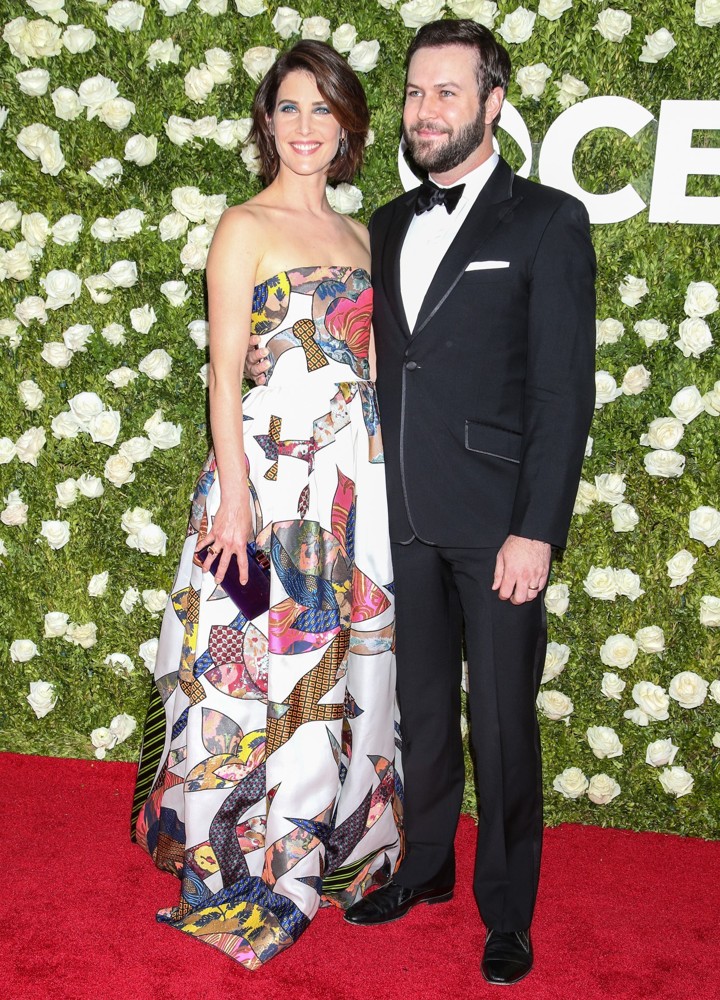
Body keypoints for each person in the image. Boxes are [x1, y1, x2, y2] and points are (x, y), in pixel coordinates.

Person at [248, 17, 596, 987]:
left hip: (498, 529)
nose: (426, 109)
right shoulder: (387, 226)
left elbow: (564, 391)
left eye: (448, 91)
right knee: (420, 717)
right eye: (414, 92)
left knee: (502, 725)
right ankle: (427, 866)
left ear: (493, 103)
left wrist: (537, 527)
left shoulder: (547, 222)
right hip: (395, 519)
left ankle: (508, 910)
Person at [131, 40, 402, 971]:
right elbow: (222, 375)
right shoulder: (243, 226)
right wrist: (234, 498)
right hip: (265, 486)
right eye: (288, 108)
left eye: (323, 110)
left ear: (350, 127)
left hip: (347, 493)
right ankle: (240, 848)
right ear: (266, 123)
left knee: (333, 662)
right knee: (249, 659)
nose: (305, 128)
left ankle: (326, 837)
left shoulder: (366, 237)